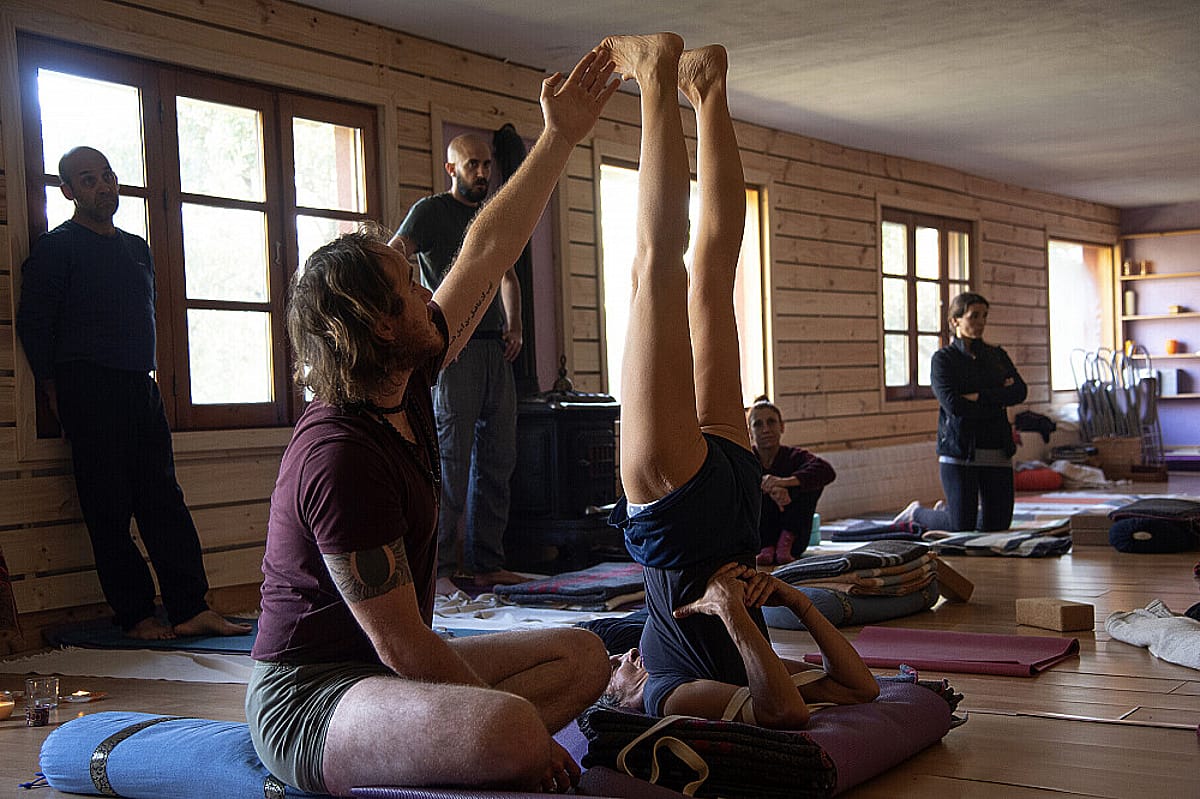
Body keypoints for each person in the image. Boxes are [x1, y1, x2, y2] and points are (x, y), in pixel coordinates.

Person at [247, 48, 618, 797]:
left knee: (586, 656)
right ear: (378, 326)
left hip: (390, 672)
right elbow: (405, 647)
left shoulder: (405, 378)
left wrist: (560, 137)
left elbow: (488, 250)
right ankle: (493, 746)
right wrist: (508, 719)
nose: (429, 292)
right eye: (409, 287)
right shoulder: (339, 455)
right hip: (313, 698)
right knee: (509, 729)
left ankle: (481, 745)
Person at [600, 34, 878, 729]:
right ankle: (658, 76)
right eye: (613, 681)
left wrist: (770, 610)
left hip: (730, 500)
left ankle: (708, 88)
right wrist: (776, 604)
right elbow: (800, 710)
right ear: (625, 700)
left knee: (711, 276)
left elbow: (852, 690)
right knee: (658, 270)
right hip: (680, 508)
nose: (618, 665)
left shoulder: (715, 666)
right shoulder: (665, 693)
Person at [16, 146, 251, 642]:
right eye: (88, 180)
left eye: (107, 176)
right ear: (68, 191)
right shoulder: (57, 248)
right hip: (87, 386)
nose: (103, 186)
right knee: (108, 505)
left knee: (164, 499)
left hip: (140, 385)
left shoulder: (136, 248)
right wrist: (54, 389)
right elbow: (35, 324)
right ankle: (136, 615)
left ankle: (190, 606)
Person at [392, 134, 528, 590]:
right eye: (473, 165)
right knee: (450, 462)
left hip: (495, 351)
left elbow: (508, 276)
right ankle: (441, 570)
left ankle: (487, 563)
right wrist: (417, 313)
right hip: (453, 351)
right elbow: (395, 254)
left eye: (487, 165)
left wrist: (516, 327)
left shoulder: (491, 216)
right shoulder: (430, 212)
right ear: (451, 169)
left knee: (498, 460)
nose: (483, 173)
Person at [893, 291, 1027, 532]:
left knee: (997, 527)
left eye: (984, 316)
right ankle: (918, 513)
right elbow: (954, 405)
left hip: (997, 448)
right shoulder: (944, 359)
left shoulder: (997, 356)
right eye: (973, 316)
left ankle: (950, 511)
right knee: (961, 527)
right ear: (955, 320)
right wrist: (997, 400)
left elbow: (1019, 392)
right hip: (960, 451)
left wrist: (980, 397)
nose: (981, 322)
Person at [748, 396, 836, 566]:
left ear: (782, 426)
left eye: (771, 422)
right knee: (748, 487)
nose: (766, 429)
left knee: (809, 483)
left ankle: (785, 542)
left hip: (794, 540)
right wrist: (767, 487)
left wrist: (784, 483)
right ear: (750, 432)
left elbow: (826, 471)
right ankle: (766, 546)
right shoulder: (746, 458)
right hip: (756, 539)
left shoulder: (794, 456)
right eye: (758, 424)